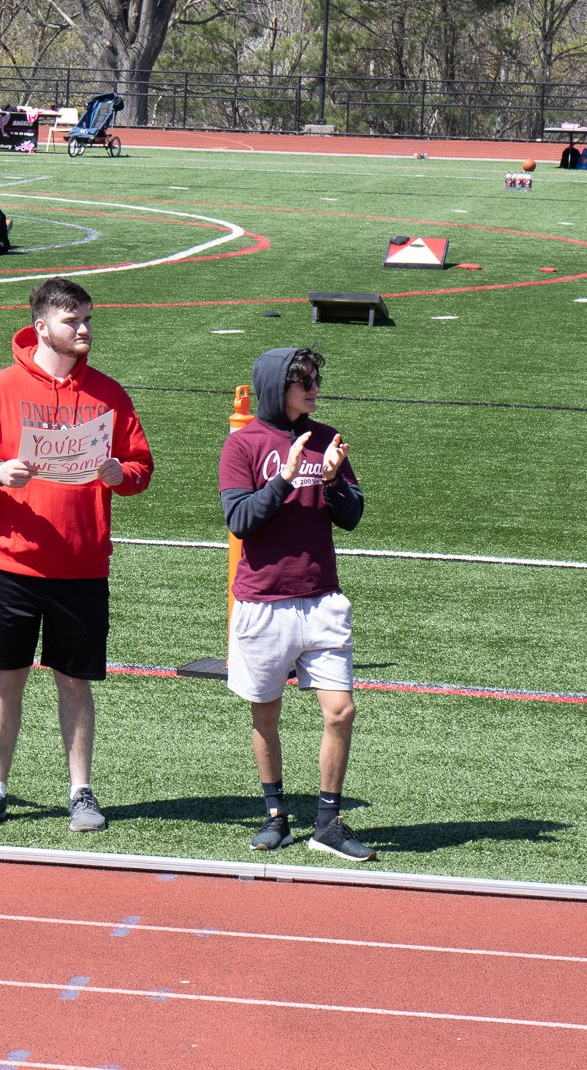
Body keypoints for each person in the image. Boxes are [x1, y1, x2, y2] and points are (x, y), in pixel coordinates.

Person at [0, 277, 153, 832]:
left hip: (82, 565)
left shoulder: (109, 394)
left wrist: (121, 473)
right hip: (11, 563)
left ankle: (81, 791)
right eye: (72, 321)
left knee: (73, 680)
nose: (84, 329)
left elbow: (141, 467)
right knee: (5, 678)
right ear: (41, 326)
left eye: (87, 319)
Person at [220, 348, 372, 861]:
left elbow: (351, 516)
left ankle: (327, 820)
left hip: (323, 598)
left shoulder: (328, 437)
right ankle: (275, 815)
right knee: (266, 715)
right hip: (264, 603)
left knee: (341, 709)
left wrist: (331, 481)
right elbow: (240, 521)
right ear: (273, 386)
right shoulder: (242, 445)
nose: (314, 389)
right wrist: (284, 477)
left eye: (315, 380)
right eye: (302, 381)